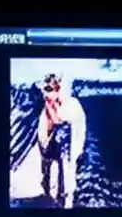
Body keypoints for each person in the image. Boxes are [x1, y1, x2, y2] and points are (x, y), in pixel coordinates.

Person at [36, 74, 87, 209]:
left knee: (66, 178)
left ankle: (66, 202)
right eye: (44, 90)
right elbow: (42, 132)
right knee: (51, 178)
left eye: (48, 89)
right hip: (50, 148)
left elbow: (74, 125)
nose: (45, 94)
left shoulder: (71, 104)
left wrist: (77, 151)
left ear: (57, 89)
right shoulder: (46, 109)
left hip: (67, 147)